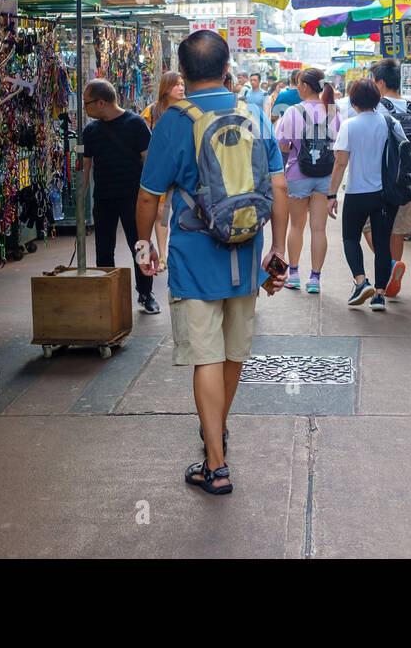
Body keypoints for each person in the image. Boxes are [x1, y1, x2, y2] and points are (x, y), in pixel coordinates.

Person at [136, 31, 288, 495]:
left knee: (206, 357)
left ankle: (216, 465)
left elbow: (149, 195)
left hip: (193, 254)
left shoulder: (173, 122)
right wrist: (277, 252)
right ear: (227, 69)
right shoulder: (255, 113)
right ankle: (216, 432)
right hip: (245, 252)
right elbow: (278, 188)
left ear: (182, 73)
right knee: (234, 353)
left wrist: (145, 244)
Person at [327, 78, 405, 311]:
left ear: (352, 101)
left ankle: (361, 282)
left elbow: (340, 163)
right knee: (382, 244)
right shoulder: (391, 123)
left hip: (357, 193)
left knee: (351, 238)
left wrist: (331, 195)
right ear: (377, 99)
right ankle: (379, 295)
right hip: (385, 194)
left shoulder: (349, 126)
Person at [81, 79, 158, 313]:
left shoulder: (135, 124)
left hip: (134, 199)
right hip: (104, 198)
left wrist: (152, 198)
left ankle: (146, 293)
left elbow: (149, 161)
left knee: (141, 244)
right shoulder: (90, 131)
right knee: (104, 249)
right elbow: (85, 168)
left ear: (101, 102)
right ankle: (108, 294)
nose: (84, 108)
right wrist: (80, 199)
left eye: (87, 103)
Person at [362, 59, 411, 297]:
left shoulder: (377, 108)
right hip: (408, 180)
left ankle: (387, 267)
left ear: (381, 82)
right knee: (398, 231)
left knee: (368, 226)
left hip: (380, 179)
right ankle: (393, 271)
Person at [276, 68, 340, 295]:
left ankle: (293, 274)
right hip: (325, 176)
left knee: (296, 226)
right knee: (319, 229)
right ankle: (315, 279)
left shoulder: (293, 112)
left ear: (304, 86)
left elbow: (282, 145)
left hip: (297, 175)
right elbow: (340, 147)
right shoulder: (333, 111)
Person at [140, 71, 185, 271]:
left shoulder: (186, 111)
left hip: (177, 169)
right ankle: (159, 252)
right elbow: (141, 137)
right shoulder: (151, 112)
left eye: (183, 84)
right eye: (176, 84)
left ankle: (164, 253)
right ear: (166, 87)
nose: (181, 88)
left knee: (164, 212)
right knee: (157, 211)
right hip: (156, 169)